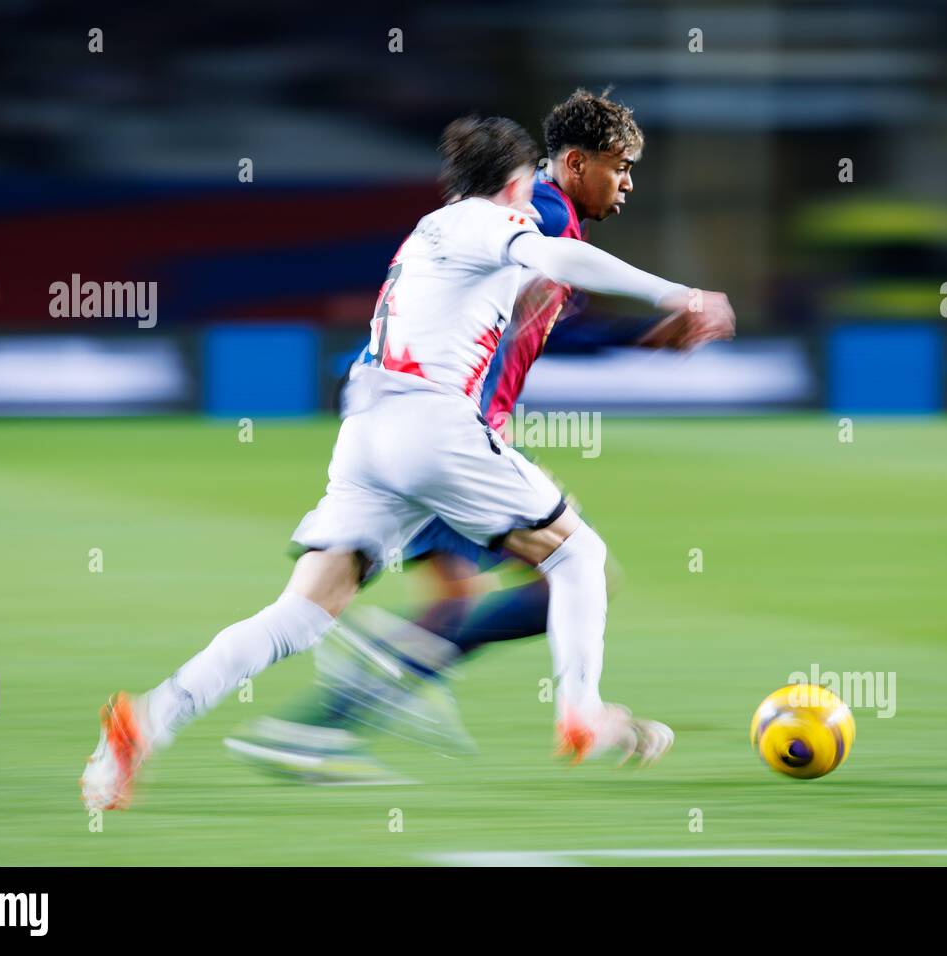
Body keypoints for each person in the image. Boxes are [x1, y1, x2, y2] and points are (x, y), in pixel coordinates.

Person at [81, 114, 736, 810]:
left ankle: (146, 721)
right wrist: (678, 294)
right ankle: (581, 713)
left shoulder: (431, 229)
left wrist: (634, 333)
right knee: (579, 559)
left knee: (299, 615)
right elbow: (562, 261)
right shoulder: (489, 222)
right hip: (435, 425)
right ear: (515, 184)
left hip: (369, 427)